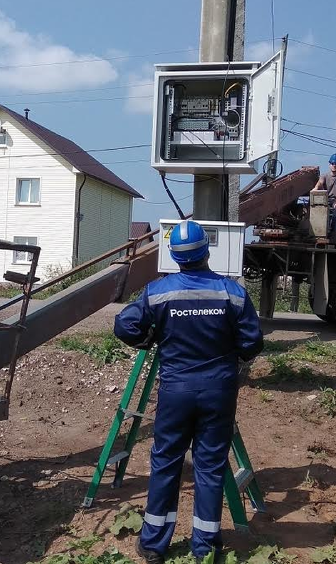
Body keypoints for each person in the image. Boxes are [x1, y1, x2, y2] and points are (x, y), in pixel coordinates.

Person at [113, 220, 264, 563]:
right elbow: (253, 343)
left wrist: (148, 339)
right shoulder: (231, 292)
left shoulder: (159, 291)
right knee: (210, 468)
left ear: (175, 256)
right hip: (218, 391)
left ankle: (153, 545)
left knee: (166, 462)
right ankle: (205, 548)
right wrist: (231, 351)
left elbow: (124, 325)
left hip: (175, 391)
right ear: (206, 252)